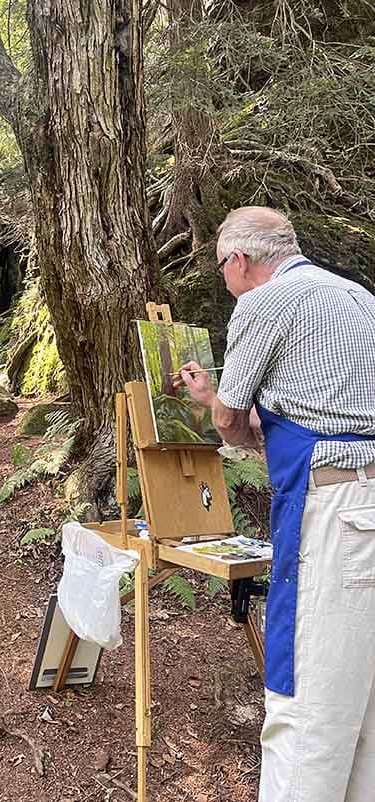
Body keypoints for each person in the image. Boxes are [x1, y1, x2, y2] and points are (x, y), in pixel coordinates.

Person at [177, 206, 375, 802]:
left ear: (239, 259)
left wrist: (212, 402)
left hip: (334, 507)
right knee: (360, 694)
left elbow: (235, 424)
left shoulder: (266, 302)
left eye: (221, 268)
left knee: (306, 695)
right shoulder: (357, 296)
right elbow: (323, 410)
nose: (224, 280)